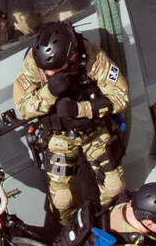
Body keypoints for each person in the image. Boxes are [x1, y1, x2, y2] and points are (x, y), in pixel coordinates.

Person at [13, 21, 128, 223]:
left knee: (114, 185)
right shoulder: (35, 63)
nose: (49, 74)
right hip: (59, 137)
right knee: (62, 199)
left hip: (94, 131)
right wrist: (50, 92)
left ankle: (111, 226)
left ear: (72, 55)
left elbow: (121, 96)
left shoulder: (92, 57)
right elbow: (23, 107)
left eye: (56, 69)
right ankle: (71, 232)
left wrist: (81, 109)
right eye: (47, 70)